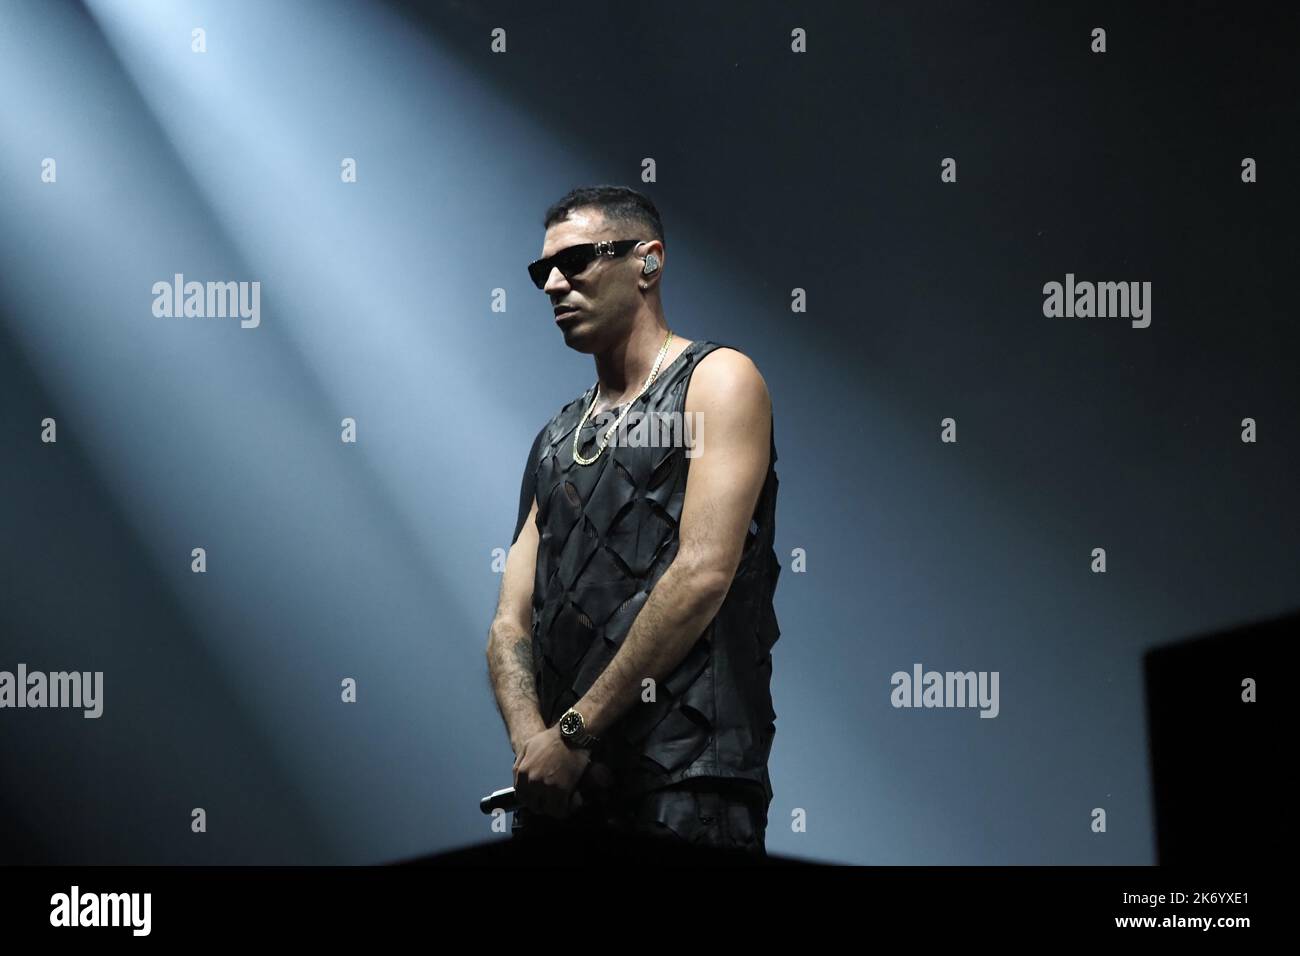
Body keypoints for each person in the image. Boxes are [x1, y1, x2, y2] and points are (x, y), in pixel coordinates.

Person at [485, 184, 782, 858]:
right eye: (543, 271)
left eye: (578, 260)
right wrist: (538, 748)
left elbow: (704, 571)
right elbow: (509, 622)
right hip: (567, 793)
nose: (554, 284)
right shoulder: (556, 437)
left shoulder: (718, 381)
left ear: (647, 262)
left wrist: (569, 736)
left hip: (688, 785)